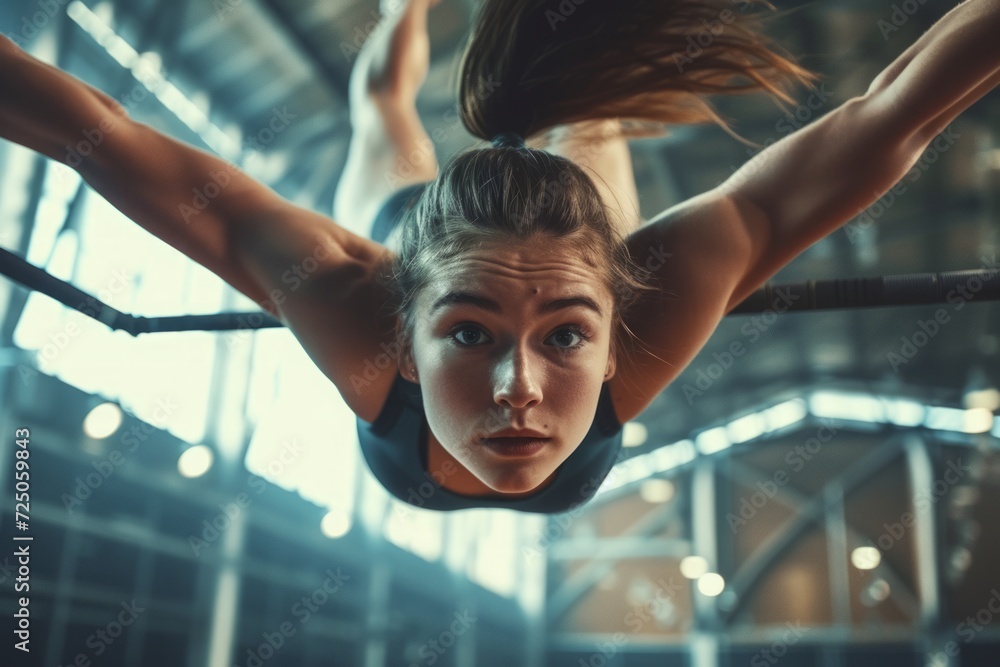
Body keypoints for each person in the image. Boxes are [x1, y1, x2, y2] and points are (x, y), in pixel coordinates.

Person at [1, 0, 998, 513]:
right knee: (383, 105)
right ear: (403, 330)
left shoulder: (629, 296)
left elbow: (894, 113)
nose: (516, 387)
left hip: (566, 246)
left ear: (613, 339)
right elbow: (103, 132)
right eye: (470, 332)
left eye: (566, 336)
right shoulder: (352, 294)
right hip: (412, 226)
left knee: (579, 115)